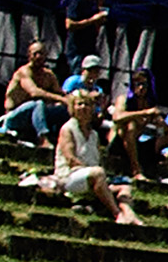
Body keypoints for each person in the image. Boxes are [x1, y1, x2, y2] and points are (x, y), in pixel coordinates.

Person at [51, 88, 140, 225]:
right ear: (72, 107)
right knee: (98, 173)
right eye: (79, 104)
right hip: (69, 177)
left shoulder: (94, 135)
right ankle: (117, 214)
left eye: (87, 104)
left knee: (124, 187)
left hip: (91, 177)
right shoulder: (68, 129)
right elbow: (70, 159)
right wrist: (94, 173)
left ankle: (129, 214)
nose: (84, 108)